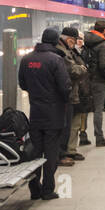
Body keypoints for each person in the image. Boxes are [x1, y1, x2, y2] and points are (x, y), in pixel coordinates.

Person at [18, 27, 70, 200]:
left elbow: (23, 84)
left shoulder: (27, 59)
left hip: (35, 113)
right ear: (56, 41)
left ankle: (35, 188)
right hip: (54, 114)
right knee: (51, 153)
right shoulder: (56, 60)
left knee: (35, 152)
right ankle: (47, 190)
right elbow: (64, 87)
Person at [57, 27, 89, 164]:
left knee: (73, 123)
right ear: (70, 39)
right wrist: (81, 69)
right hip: (67, 93)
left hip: (74, 92)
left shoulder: (68, 50)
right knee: (66, 125)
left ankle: (70, 151)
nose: (76, 43)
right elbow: (72, 70)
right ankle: (63, 153)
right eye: (75, 40)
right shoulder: (62, 51)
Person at [83, 21, 105, 147]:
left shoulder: (88, 41)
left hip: (87, 78)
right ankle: (99, 137)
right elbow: (103, 65)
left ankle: (83, 135)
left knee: (85, 108)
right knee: (98, 109)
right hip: (99, 80)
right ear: (104, 30)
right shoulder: (103, 44)